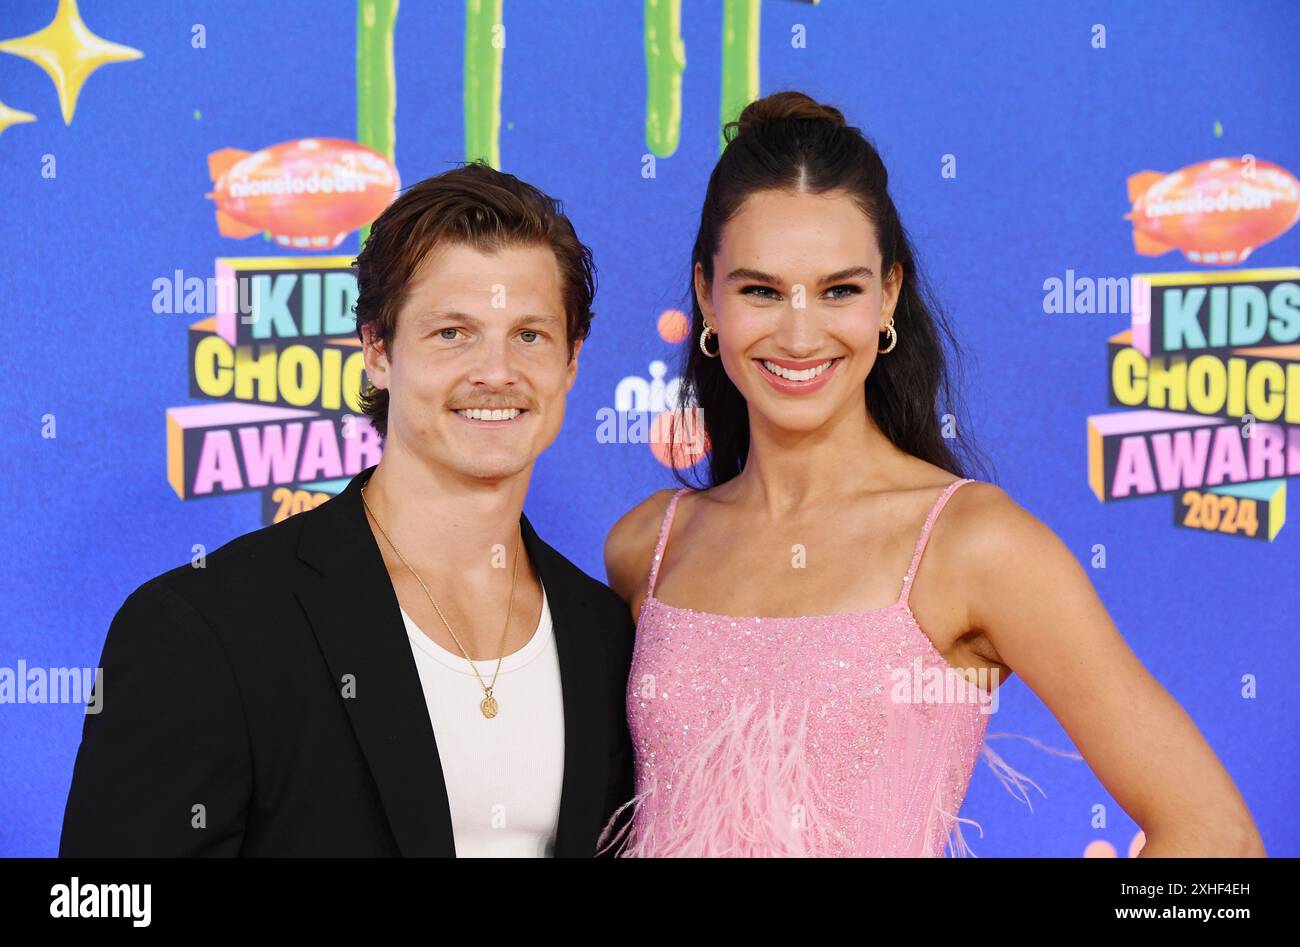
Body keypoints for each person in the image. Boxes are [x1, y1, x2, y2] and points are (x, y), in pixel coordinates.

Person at [601, 92, 1266, 857]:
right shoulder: (647, 546)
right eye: (760, 289)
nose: (799, 330)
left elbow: (1221, 840)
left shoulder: (971, 544)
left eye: (838, 289)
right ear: (706, 297)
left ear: (887, 295)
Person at [60, 162, 635, 857]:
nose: (496, 370)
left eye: (530, 335)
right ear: (377, 351)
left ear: (573, 360)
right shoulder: (209, 626)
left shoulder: (606, 637)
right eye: (452, 332)